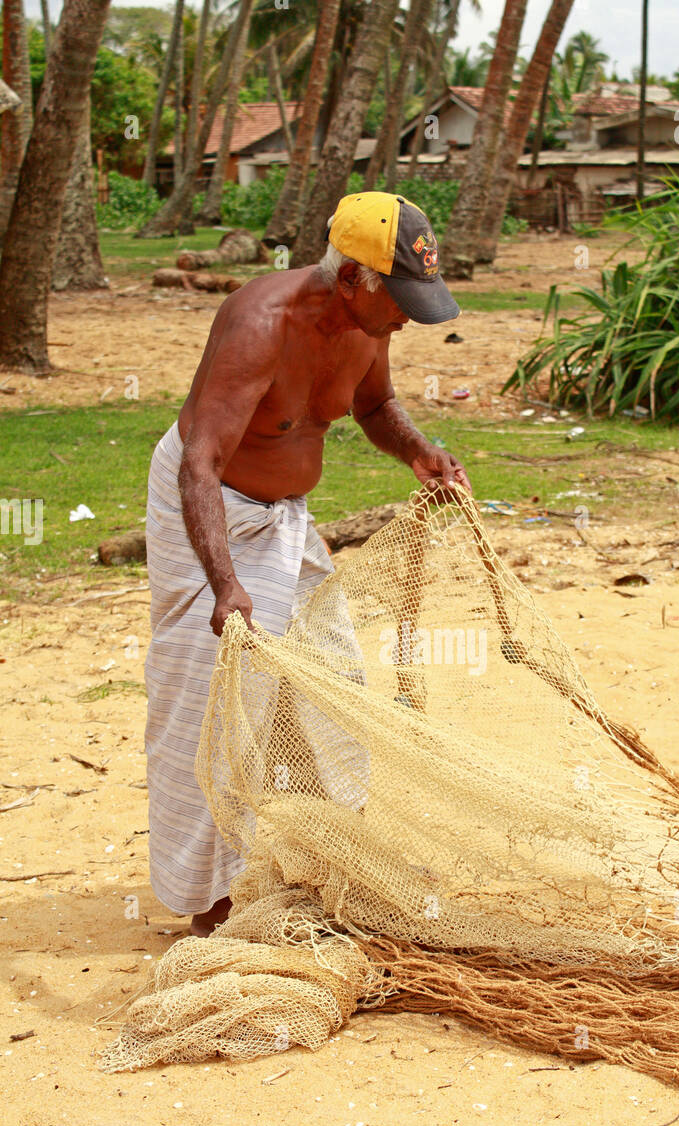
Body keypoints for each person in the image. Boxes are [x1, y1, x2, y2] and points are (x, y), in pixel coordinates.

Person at [144, 191, 471, 935]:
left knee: (330, 681)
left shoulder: (367, 322)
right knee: (211, 698)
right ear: (353, 277)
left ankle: (331, 851)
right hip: (209, 511)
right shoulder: (262, 324)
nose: (405, 319)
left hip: (284, 520)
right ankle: (210, 898)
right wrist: (224, 587)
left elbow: (374, 407)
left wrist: (422, 453)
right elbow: (201, 462)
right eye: (401, 300)